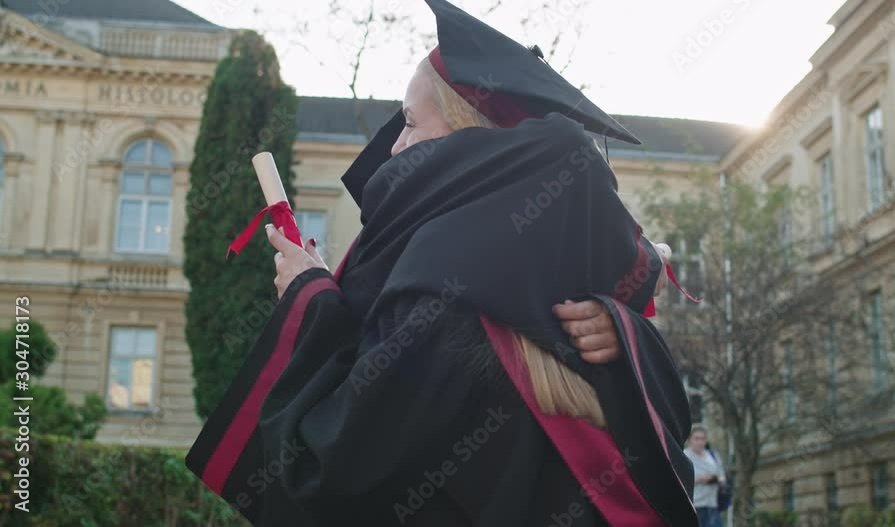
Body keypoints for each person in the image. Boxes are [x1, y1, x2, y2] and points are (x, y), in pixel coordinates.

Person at [186, 1, 697, 525]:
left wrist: (312, 305)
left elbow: (329, 474)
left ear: (467, 136)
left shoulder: (439, 293)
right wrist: (626, 328)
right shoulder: (596, 314)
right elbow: (668, 451)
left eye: (408, 122)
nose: (393, 150)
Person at [684, 425, 726, 527]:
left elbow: (723, 477)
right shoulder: (684, 456)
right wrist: (700, 479)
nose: (700, 442)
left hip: (712, 505)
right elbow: (679, 480)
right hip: (693, 507)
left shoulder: (713, 455)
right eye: (696, 439)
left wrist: (715, 479)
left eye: (702, 439)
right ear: (689, 440)